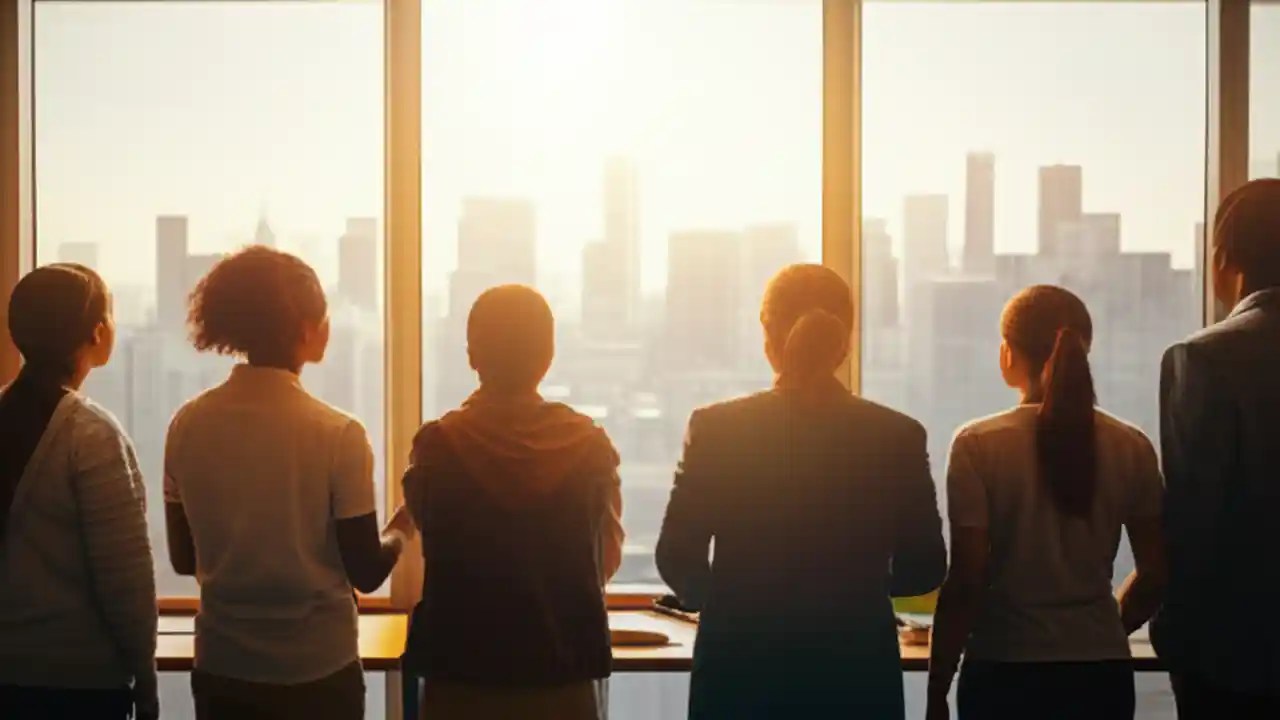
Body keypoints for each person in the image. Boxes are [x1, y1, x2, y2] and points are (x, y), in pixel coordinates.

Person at [656, 263, 946, 719]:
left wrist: (727, 605)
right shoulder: (898, 435)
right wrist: (858, 593)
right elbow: (927, 565)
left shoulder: (717, 429)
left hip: (739, 674)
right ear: (845, 341)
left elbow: (675, 555)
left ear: (767, 335)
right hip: (856, 674)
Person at [164, 246, 413, 720]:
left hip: (223, 668)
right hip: (318, 673)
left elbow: (182, 559)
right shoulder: (339, 434)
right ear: (304, 329)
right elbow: (367, 571)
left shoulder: (186, 425)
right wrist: (404, 523)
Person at [926, 285, 1167, 720]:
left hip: (1004, 669)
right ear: (1084, 352)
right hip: (1100, 675)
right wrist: (1104, 627)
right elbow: (1155, 572)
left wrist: (937, 686)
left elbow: (966, 578)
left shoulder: (977, 445)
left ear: (1007, 355)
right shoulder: (1132, 446)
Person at [401, 284, 622, 720]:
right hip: (563, 669)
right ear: (548, 356)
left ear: (472, 355)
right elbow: (607, 559)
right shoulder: (589, 444)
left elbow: (432, 538)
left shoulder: (437, 445)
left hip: (461, 674)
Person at [0, 264, 158, 720]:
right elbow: (125, 580)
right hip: (77, 686)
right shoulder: (90, 434)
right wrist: (145, 680)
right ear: (97, 332)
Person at [1155, 178, 1280, 717]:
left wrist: (1171, 635)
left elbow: (1193, 522)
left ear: (1224, 259)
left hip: (1235, 660)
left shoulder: (1204, 359)